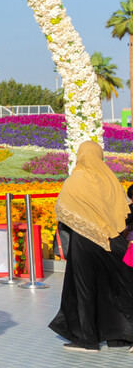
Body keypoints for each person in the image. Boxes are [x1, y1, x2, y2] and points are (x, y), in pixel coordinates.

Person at [50, 140, 133, 352]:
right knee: (117, 285)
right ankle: (121, 337)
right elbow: (124, 212)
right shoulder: (110, 179)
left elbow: (63, 210)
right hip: (111, 242)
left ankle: (87, 340)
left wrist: (87, 223)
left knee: (84, 290)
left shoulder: (75, 179)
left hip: (83, 243)